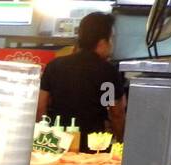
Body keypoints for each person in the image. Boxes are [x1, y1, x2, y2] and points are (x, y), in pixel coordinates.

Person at [37, 12, 126, 140]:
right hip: (93, 146)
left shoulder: (55, 66)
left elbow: (41, 106)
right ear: (102, 42)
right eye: (111, 38)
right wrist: (120, 141)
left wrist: (43, 139)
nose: (112, 44)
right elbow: (116, 112)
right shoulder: (107, 72)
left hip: (58, 141)